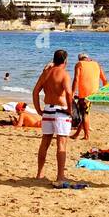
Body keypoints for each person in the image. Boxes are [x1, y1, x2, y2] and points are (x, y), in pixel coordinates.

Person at [32, 49, 75, 186]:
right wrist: (70, 109)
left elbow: (35, 91)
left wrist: (38, 108)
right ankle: (60, 176)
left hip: (48, 110)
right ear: (65, 61)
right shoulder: (64, 74)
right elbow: (68, 93)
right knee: (61, 144)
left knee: (45, 142)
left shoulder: (46, 73)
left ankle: (40, 173)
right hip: (61, 112)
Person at [71, 52, 107, 142]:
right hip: (94, 94)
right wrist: (104, 92)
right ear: (87, 58)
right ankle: (77, 134)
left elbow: (76, 79)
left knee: (84, 114)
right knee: (83, 113)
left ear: (79, 59)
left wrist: (72, 92)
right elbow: (104, 80)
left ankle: (86, 135)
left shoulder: (79, 64)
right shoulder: (96, 64)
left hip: (84, 94)